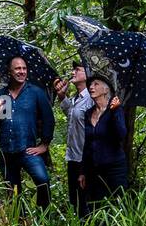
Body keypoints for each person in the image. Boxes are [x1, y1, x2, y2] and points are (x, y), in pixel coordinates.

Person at [0, 55, 54, 208]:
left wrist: (44, 144)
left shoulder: (35, 92)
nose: (22, 71)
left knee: (43, 180)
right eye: (18, 68)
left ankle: (44, 220)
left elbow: (48, 119)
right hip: (6, 151)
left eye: (24, 68)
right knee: (13, 192)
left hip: (27, 149)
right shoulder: (2, 94)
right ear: (9, 72)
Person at [80, 72, 127, 213]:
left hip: (114, 169)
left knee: (116, 209)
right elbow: (86, 144)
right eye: (90, 85)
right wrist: (82, 171)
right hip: (93, 171)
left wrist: (114, 112)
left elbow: (121, 134)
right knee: (95, 210)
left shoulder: (115, 109)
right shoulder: (88, 114)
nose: (91, 87)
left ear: (106, 89)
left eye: (96, 84)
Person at [53, 62, 93, 212]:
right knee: (75, 201)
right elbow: (73, 116)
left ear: (88, 74)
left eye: (77, 70)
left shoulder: (91, 98)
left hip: (85, 159)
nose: (73, 72)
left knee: (85, 203)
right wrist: (62, 96)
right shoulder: (77, 98)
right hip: (73, 157)